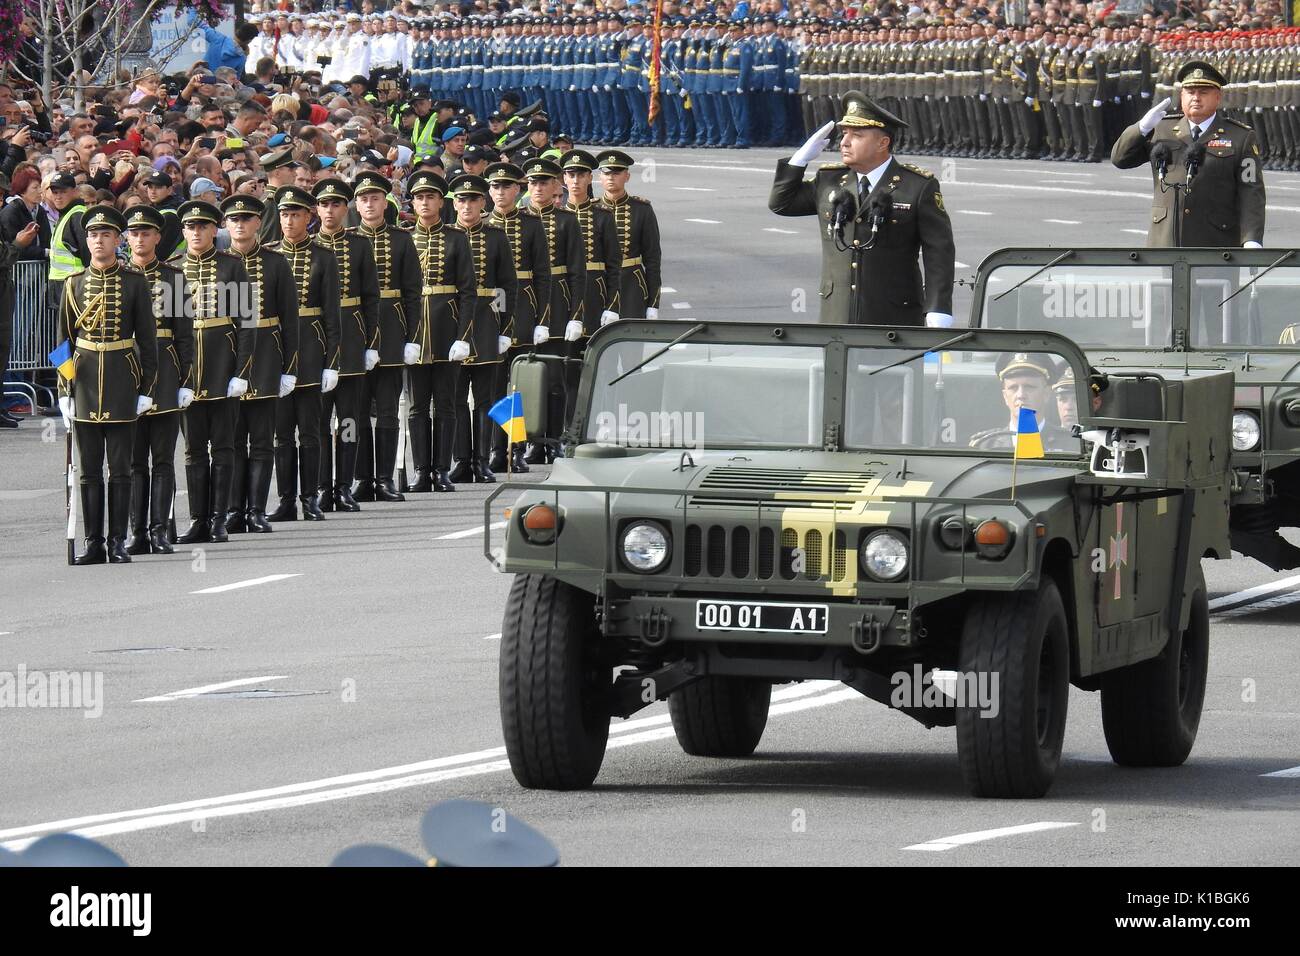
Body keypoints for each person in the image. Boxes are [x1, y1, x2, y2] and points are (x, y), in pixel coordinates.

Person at [768, 92, 957, 328]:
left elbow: (939, 251)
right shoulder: (829, 180)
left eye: (856, 135)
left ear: (882, 143)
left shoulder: (916, 186)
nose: (844, 142)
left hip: (894, 317)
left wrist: (938, 308)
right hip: (836, 315)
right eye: (844, 133)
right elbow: (782, 203)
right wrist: (798, 160)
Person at [55, 206, 158, 564]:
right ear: (87, 241)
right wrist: (63, 391)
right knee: (87, 471)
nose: (99, 240)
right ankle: (94, 541)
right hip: (83, 383)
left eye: (106, 234)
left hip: (121, 379)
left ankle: (117, 540)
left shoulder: (134, 282)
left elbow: (147, 340)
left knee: (120, 467)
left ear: (118, 240)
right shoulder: (74, 284)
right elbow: (62, 343)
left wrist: (146, 388)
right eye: (93, 235)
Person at [1111, 60, 1266, 248]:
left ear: (1218, 97)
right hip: (1166, 239)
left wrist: (1251, 238)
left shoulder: (1240, 136)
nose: (1196, 98)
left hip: (1216, 241)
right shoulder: (1162, 129)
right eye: (1190, 92)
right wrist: (1141, 128)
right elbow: (1120, 158)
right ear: (1181, 96)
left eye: (1203, 92)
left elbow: (1251, 192)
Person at [172, 199, 255, 545]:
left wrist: (241, 371)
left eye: (203, 226)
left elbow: (247, 324)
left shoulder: (231, 266)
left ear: (213, 230)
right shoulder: (174, 270)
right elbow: (173, 330)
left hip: (223, 364)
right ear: (183, 232)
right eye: (191, 227)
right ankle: (197, 519)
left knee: (223, 447)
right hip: (189, 372)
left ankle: (219, 519)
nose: (196, 232)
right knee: (193, 450)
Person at [222, 194, 298, 535]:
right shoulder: (219, 264)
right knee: (233, 440)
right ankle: (233, 509)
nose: (240, 224)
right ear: (226, 225)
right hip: (228, 355)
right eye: (234, 219)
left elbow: (290, 319)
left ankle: (256, 509)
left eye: (247, 219)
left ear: (257, 223)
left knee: (263, 439)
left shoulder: (275, 262)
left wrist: (290, 366)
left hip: (267, 352)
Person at [121, 207, 192, 555]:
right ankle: (137, 531)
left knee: (162, 458)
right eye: (134, 233)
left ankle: (160, 529)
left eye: (146, 233)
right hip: (125, 370)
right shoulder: (116, 276)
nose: (139, 239)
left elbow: (184, 335)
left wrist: (186, 380)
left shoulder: (173, 278)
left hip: (165, 370)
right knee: (135, 462)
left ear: (157, 237)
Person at [268, 185, 340, 523]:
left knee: (310, 432)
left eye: (296, 214)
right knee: (282, 434)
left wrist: (332, 362)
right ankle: (285, 500)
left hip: (311, 349)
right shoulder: (270, 256)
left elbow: (332, 314)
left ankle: (310, 497)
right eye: (284, 214)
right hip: (277, 348)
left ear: (308, 217)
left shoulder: (324, 257)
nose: (289, 220)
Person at [404, 170, 475, 493]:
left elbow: (468, 291)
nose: (424, 202)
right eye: (419, 197)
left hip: (447, 327)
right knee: (418, 406)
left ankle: (442, 469)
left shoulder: (456, 238)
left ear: (440, 202)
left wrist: (464, 335)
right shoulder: (405, 237)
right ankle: (421, 469)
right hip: (416, 331)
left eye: (430, 197)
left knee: (445, 404)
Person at [313, 178, 379, 513]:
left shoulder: (359, 244)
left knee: (350, 421)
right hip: (319, 341)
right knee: (321, 422)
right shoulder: (310, 246)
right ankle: (324, 486)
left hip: (352, 339)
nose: (329, 210)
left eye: (336, 204)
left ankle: (344, 485)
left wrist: (371, 343)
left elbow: (371, 298)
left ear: (345, 208)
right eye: (324, 204)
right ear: (317, 208)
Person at [447, 173, 516, 484]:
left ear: (482, 202)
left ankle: (482, 459)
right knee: (457, 398)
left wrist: (504, 326)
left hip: (487, 320)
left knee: (486, 398)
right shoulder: (445, 236)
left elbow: (506, 286)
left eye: (473, 199)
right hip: (453, 321)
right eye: (461, 199)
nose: (467, 205)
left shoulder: (495, 236)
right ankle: (461, 459)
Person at [486, 160, 551, 474]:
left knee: (518, 385)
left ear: (517, 190)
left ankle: (516, 448)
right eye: (495, 187)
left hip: (523, 306)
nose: (500, 192)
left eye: (506, 186)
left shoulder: (530, 224)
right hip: (491, 307)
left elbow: (542, 275)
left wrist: (542, 318)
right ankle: (495, 448)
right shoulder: (482, 224)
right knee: (493, 383)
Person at [522, 156, 585, 466]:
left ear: (554, 186)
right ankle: (526, 440)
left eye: (543, 182)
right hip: (524, 304)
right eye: (533, 182)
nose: (537, 187)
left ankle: (552, 439)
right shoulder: (518, 219)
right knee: (524, 378)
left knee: (555, 379)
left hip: (557, 303)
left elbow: (577, 271)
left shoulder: (565, 220)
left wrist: (576, 313)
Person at [561, 148, 620, 427]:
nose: (575, 180)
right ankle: (568, 425)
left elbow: (614, 266)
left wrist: (612, 305)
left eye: (580, 175)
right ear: (563, 178)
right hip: (564, 298)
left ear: (589, 178)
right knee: (565, 367)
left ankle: (598, 423)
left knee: (597, 365)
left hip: (595, 295)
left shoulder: (603, 215)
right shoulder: (556, 215)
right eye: (570, 174)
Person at [595, 150, 660, 321]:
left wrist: (654, 303)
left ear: (627, 176)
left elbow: (652, 258)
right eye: (606, 173)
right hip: (598, 284)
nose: (610, 177)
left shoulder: (642, 209)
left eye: (616, 173)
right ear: (599, 177)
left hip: (631, 285)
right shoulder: (590, 209)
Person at [968, 352, 1075, 452]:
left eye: (1029, 387)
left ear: (1046, 394)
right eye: (1013, 388)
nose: (1020, 395)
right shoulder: (984, 445)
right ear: (1005, 396)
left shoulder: (1073, 445)